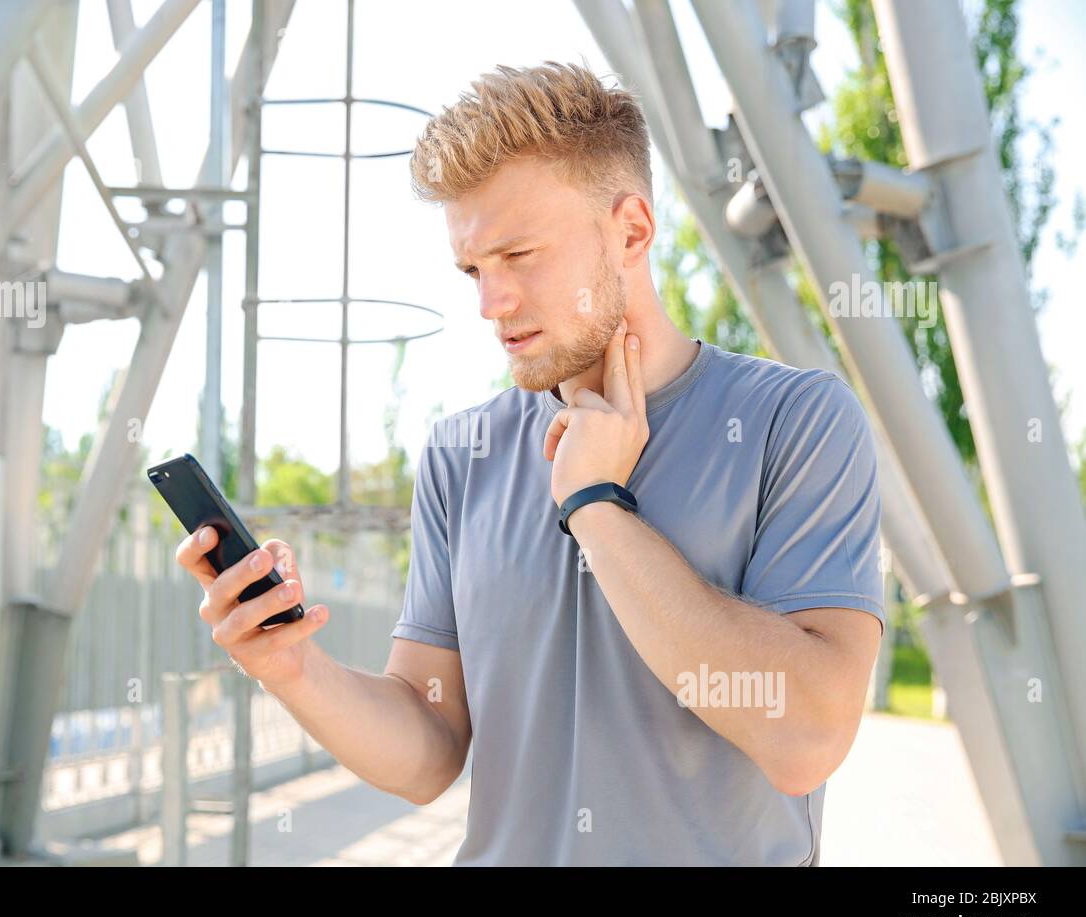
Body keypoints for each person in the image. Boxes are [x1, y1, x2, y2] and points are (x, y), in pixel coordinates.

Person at [175, 62, 884, 865]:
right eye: (474, 270)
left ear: (632, 232)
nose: (490, 303)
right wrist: (293, 668)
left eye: (519, 255)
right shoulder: (459, 455)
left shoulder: (796, 422)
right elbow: (431, 748)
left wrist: (597, 505)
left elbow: (807, 739)